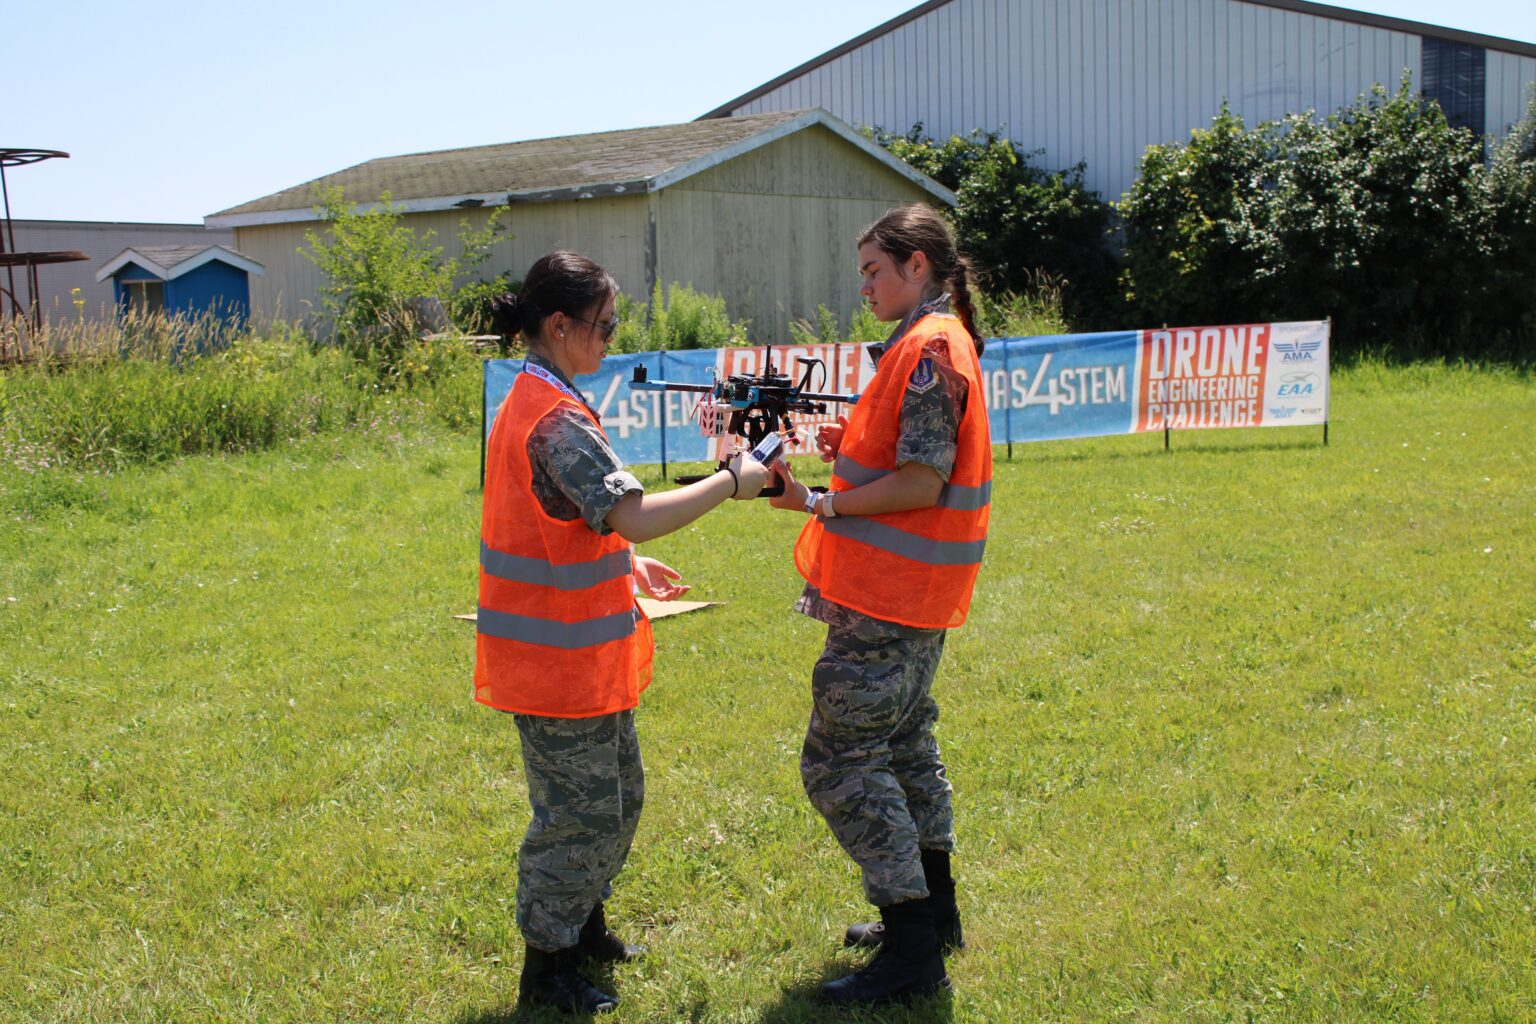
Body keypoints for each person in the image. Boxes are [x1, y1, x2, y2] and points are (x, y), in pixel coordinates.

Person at [476, 251, 773, 1015]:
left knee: (616, 799)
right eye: (604, 327)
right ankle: (549, 968)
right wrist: (733, 480)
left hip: (580, 655)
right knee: (576, 817)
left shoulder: (545, 398)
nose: (611, 339)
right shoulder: (554, 417)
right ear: (559, 326)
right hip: (556, 665)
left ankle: (585, 926)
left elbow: (578, 521)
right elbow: (628, 508)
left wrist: (628, 561)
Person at [769, 204, 992, 1005]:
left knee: (839, 762)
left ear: (919, 266)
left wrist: (822, 501)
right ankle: (934, 919)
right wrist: (850, 451)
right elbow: (901, 455)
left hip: (892, 599)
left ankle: (910, 951)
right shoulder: (934, 339)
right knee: (902, 750)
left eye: (874, 269)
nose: (863, 284)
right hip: (918, 593)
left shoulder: (929, 347)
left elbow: (921, 480)